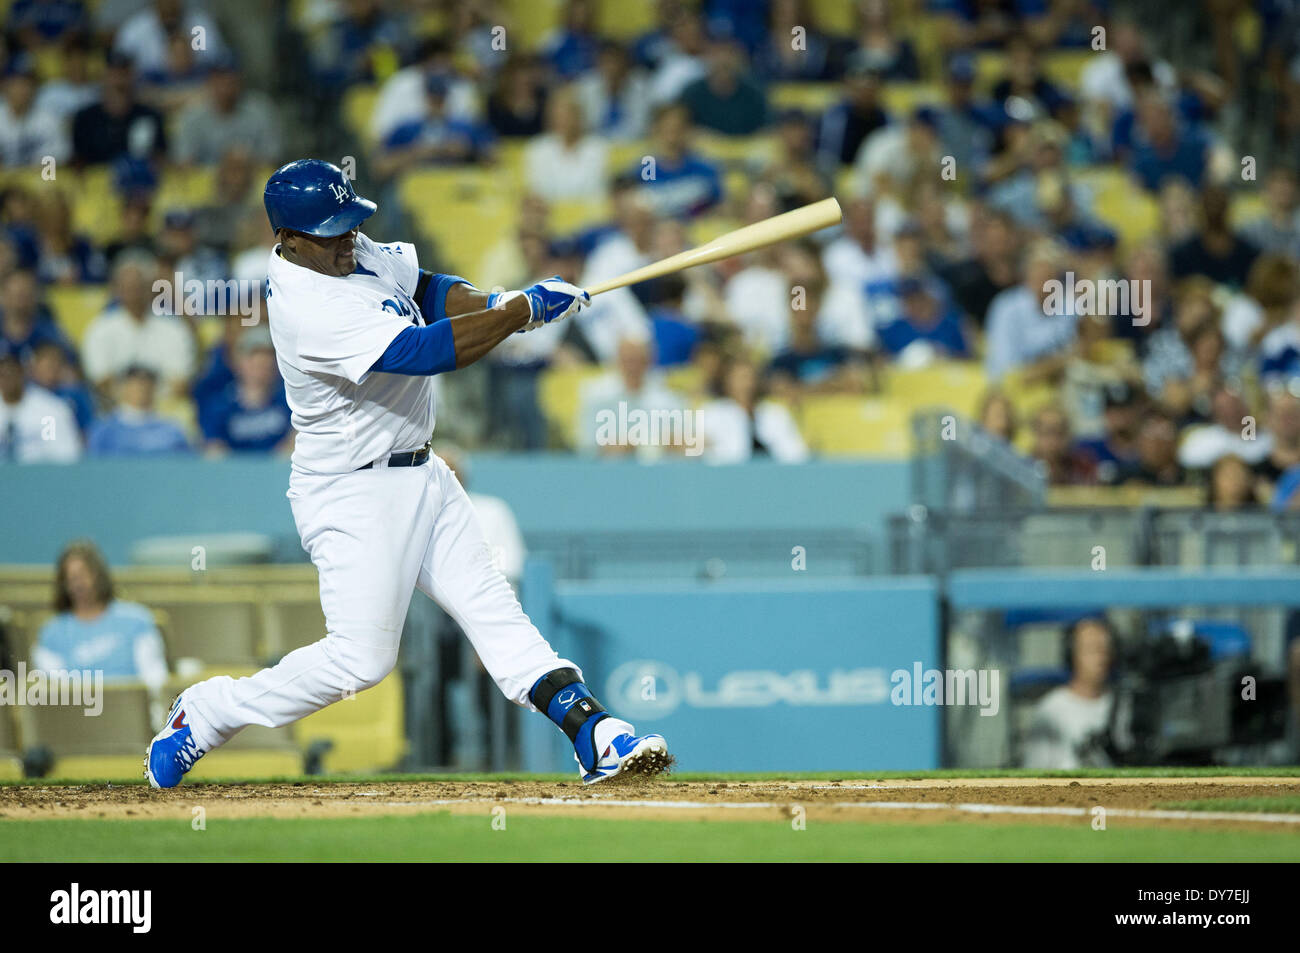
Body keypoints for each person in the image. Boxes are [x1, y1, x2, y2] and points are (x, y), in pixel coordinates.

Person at [145, 160, 669, 788]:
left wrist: (499, 302)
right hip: (349, 492)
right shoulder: (305, 304)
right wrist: (520, 311)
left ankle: (595, 733)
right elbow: (420, 352)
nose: (348, 240)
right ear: (286, 239)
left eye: (348, 226)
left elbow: (426, 288)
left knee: (496, 613)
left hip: (422, 471)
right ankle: (207, 713)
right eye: (331, 233)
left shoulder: (345, 248)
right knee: (359, 662)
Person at [33, 540, 168, 697]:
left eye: (83, 575)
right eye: (70, 578)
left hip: (130, 712)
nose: (78, 584)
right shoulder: (51, 634)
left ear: (98, 575)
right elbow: (56, 693)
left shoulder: (137, 620)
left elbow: (155, 679)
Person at [1022, 618, 1116, 770]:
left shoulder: (1122, 705)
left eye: (1105, 649)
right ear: (1072, 655)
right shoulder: (1051, 710)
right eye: (1092, 650)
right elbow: (1033, 774)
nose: (1101, 657)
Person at [86, 365, 191, 457]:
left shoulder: (172, 431)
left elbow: (187, 464)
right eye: (135, 383)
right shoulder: (104, 430)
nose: (141, 389)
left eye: (147, 384)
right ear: (123, 387)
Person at [0, 344, 81, 463]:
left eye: (12, 373)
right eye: (2, 375)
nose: (8, 380)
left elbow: (61, 453)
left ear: (22, 374)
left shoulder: (48, 412)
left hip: (37, 476)